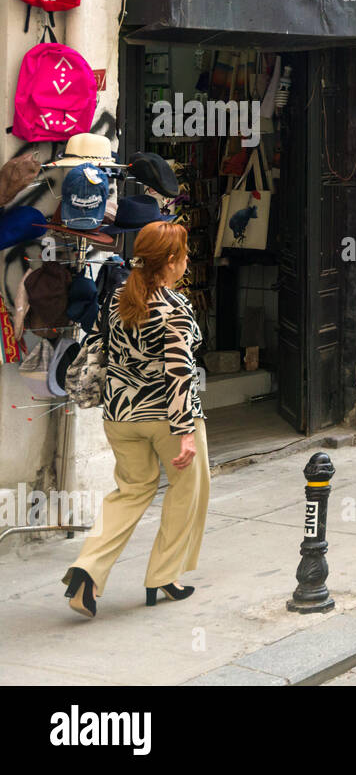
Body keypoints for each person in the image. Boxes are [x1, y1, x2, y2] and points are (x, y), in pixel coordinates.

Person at [61, 222, 209, 618]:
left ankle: (87, 570)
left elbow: (99, 347)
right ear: (171, 261)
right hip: (167, 417)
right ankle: (164, 575)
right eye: (184, 255)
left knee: (129, 492)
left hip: (120, 415)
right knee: (187, 491)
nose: (187, 261)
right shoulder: (175, 307)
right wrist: (186, 432)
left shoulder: (115, 299)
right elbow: (180, 371)